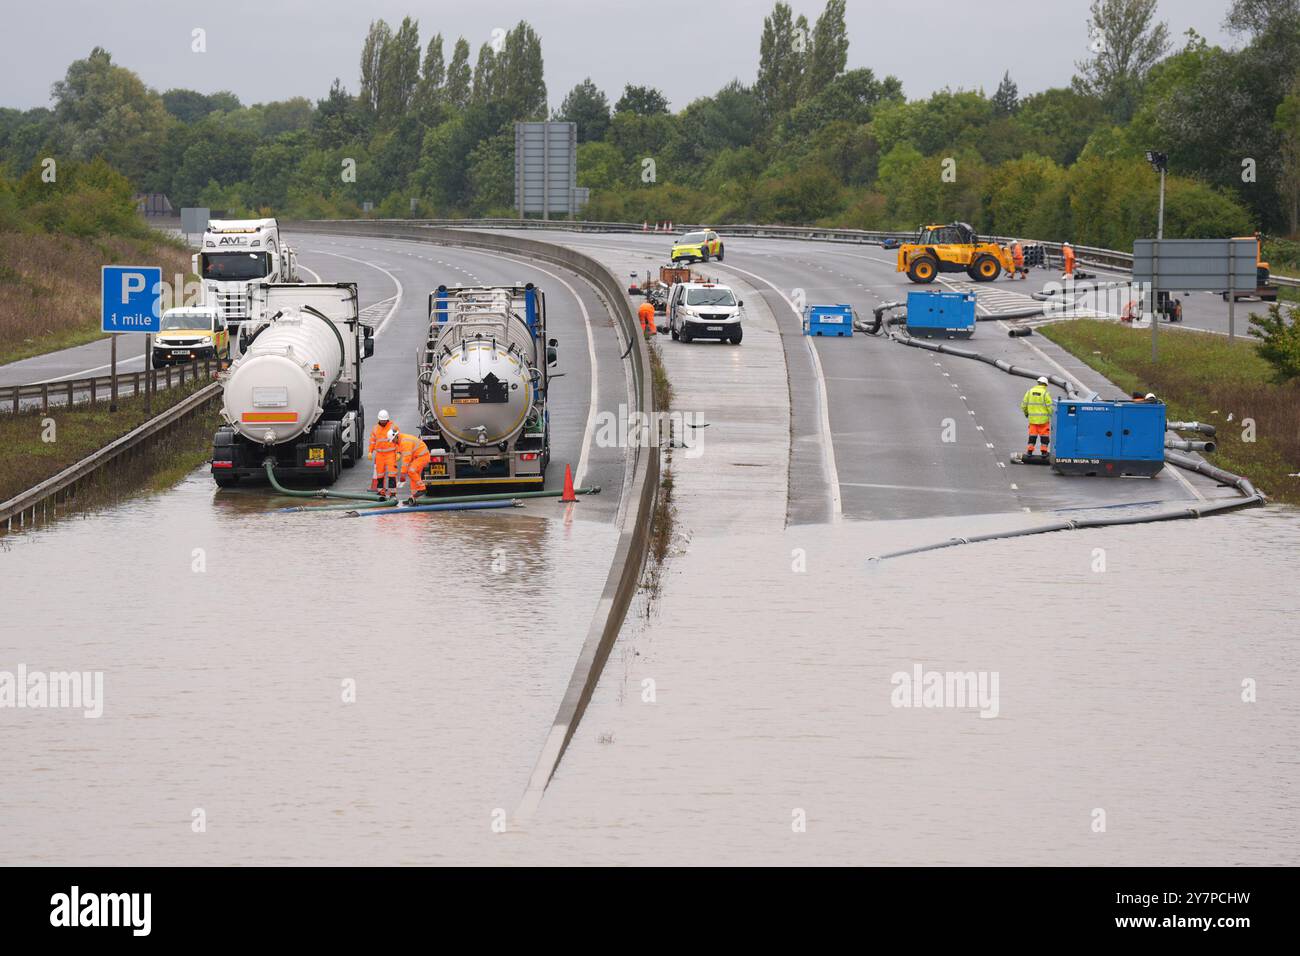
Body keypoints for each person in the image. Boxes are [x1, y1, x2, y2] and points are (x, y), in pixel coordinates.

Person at [1021, 376, 1054, 458]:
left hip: (1032, 420)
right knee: (1044, 437)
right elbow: (1050, 407)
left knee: (1032, 436)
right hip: (1043, 421)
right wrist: (1052, 416)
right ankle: (1044, 452)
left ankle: (1029, 452)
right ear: (1046, 384)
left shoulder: (1029, 392)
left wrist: (1026, 413)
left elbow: (1023, 405)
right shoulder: (1045, 393)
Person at [395, 431, 431, 503]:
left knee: (411, 471)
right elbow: (401, 448)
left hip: (422, 457)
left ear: (395, 437)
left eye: (393, 440)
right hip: (417, 457)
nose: (393, 442)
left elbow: (406, 459)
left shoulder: (405, 442)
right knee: (413, 477)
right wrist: (398, 452)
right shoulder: (401, 439)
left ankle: (422, 488)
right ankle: (413, 497)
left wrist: (403, 473)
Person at [371, 421, 401, 496]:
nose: (383, 422)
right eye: (382, 420)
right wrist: (370, 451)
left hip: (390, 453)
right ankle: (381, 491)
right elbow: (372, 441)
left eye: (384, 420)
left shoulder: (393, 427)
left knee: (392, 473)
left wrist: (398, 452)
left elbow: (397, 440)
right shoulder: (375, 428)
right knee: (380, 473)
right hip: (379, 454)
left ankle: (393, 492)